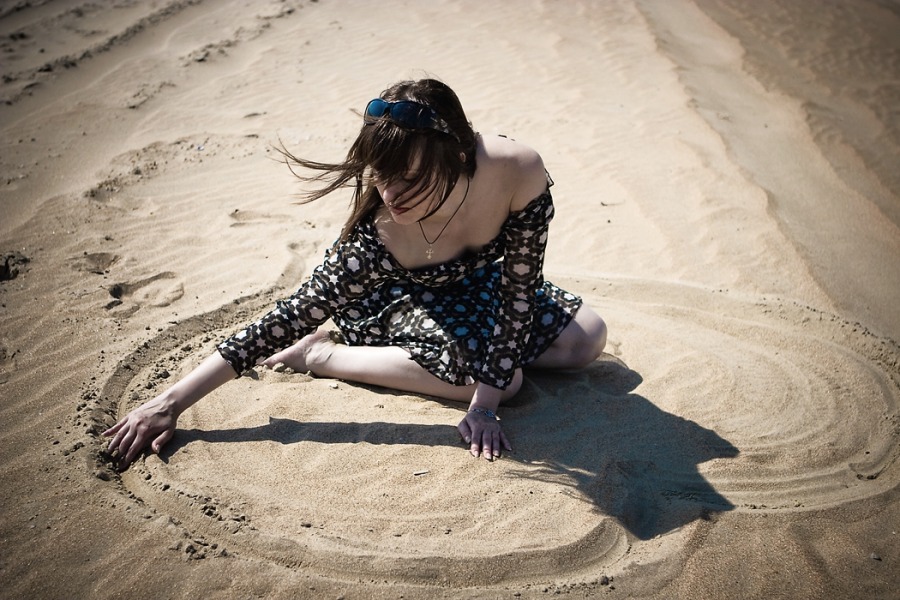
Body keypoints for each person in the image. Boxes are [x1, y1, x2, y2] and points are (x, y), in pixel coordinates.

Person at [104, 78, 607, 468]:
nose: (391, 194)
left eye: (410, 178)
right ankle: (323, 354)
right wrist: (169, 403)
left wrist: (482, 405)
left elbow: (520, 288)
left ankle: (470, 363)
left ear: (456, 154)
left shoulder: (516, 171)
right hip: (391, 297)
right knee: (506, 381)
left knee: (586, 340)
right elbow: (285, 318)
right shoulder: (381, 235)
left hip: (472, 286)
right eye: (381, 175)